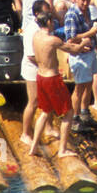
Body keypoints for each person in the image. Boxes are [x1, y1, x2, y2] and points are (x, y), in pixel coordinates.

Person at [26, 9, 90, 158]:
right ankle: (62, 150)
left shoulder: (36, 36)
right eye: (52, 21)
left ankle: (34, 147)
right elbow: (73, 51)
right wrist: (84, 42)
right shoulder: (52, 39)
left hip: (40, 76)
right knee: (68, 113)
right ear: (48, 22)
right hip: (52, 79)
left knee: (45, 112)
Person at [19, 0, 56, 141]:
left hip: (42, 68)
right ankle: (25, 133)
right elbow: (30, 55)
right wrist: (44, 66)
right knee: (33, 102)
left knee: (48, 100)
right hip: (33, 69)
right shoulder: (32, 30)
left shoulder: (43, 28)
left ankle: (48, 127)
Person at [61, 0, 97, 124]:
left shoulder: (87, 11)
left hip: (89, 53)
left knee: (88, 84)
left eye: (87, 0)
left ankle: (85, 113)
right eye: (82, 0)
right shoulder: (71, 15)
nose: (85, 3)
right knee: (79, 87)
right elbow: (71, 38)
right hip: (79, 55)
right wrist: (90, 33)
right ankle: (75, 118)